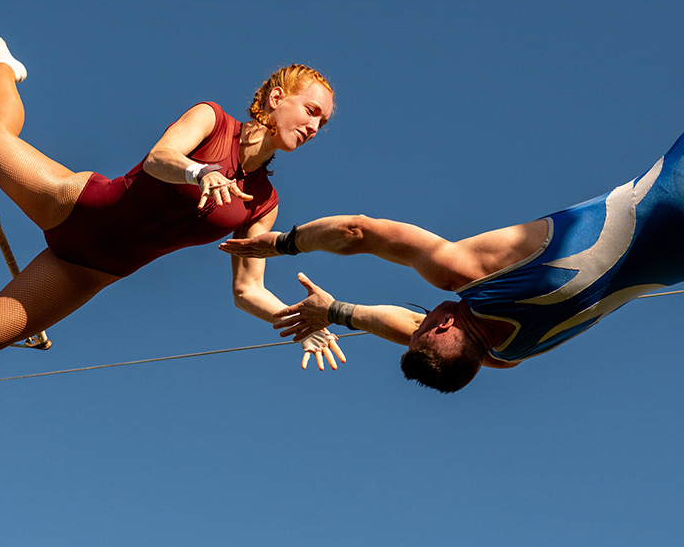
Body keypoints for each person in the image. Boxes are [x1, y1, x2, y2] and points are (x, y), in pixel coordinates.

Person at [0, 37, 344, 439]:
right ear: (278, 97)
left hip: (89, 270)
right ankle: (3, 68)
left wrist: (299, 319)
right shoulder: (213, 120)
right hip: (77, 204)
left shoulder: (262, 201)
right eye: (311, 111)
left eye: (322, 125)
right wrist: (199, 171)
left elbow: (247, 290)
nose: (313, 127)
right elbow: (158, 158)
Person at [220, 133, 684, 393]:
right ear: (440, 327)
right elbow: (357, 232)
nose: (420, 316)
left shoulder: (508, 355)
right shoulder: (471, 275)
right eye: (425, 322)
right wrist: (285, 243)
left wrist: (338, 311)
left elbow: (416, 333)